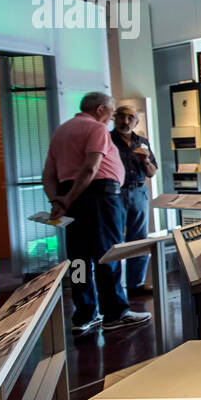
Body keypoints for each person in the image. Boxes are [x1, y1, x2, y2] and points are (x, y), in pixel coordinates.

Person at [43, 91, 150, 336]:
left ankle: (84, 314)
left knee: (79, 258)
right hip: (100, 197)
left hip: (71, 196)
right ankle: (114, 313)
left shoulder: (62, 130)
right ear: (101, 109)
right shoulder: (96, 128)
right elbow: (91, 166)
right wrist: (69, 198)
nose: (112, 117)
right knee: (107, 254)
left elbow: (48, 174)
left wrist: (58, 202)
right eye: (112, 112)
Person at [112, 105, 158, 295]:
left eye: (130, 117)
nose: (125, 121)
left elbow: (152, 172)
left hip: (139, 191)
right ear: (114, 119)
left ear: (136, 121)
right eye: (121, 117)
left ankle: (135, 284)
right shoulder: (108, 140)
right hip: (115, 193)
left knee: (139, 238)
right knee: (114, 239)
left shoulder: (142, 142)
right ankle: (114, 288)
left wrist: (145, 160)